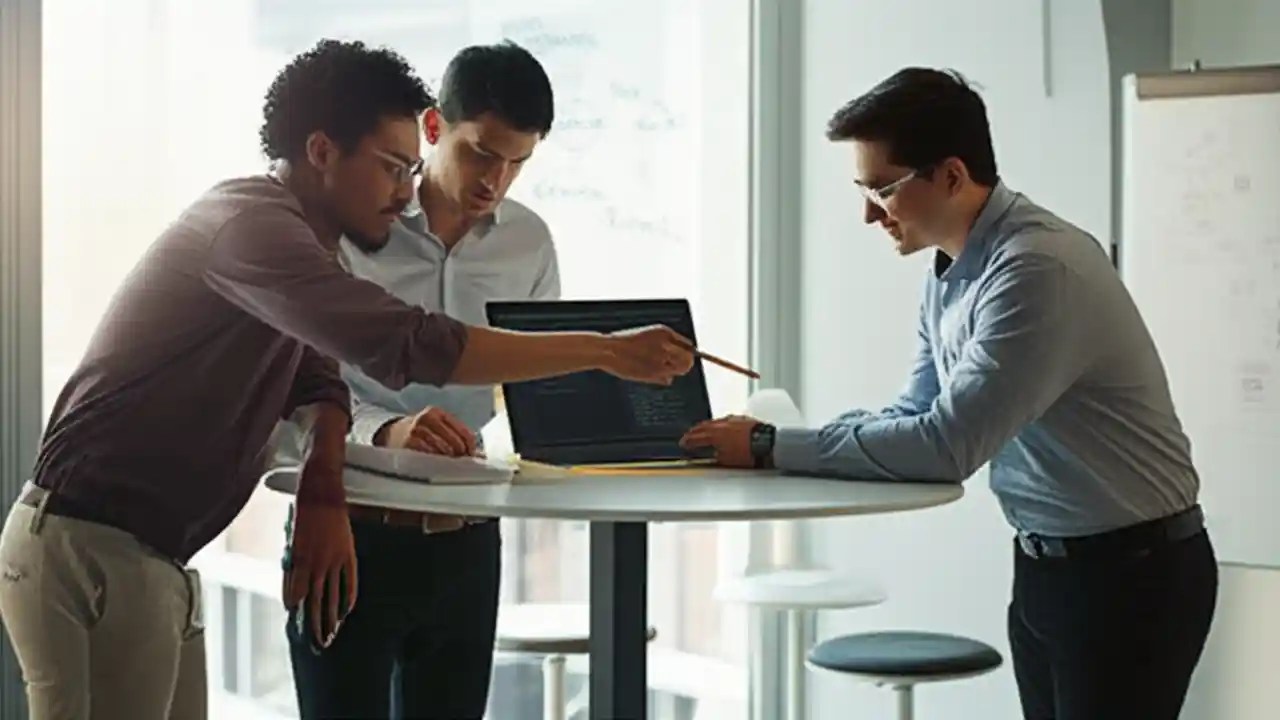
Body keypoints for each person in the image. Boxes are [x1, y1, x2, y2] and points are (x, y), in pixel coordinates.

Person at [0, 39, 692, 720]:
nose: (404, 192)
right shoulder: (252, 228)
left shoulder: (308, 241)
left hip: (156, 554)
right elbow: (409, 342)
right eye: (393, 168)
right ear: (323, 151)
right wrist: (604, 351)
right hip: (91, 543)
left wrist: (324, 486)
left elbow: (319, 382)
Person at [681, 68, 1216, 720]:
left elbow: (946, 444)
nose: (868, 213)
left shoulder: (1034, 270)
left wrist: (770, 445)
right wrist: (798, 442)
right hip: (1047, 565)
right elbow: (915, 411)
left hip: (1132, 575)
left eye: (883, 189)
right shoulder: (950, 270)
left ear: (953, 177)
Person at [284, 41, 560, 719]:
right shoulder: (350, 227)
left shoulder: (531, 243)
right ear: (433, 128)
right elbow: (299, 380)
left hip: (469, 539)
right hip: (349, 529)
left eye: (518, 162)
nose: (496, 179)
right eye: (482, 153)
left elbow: (537, 380)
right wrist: (392, 429)